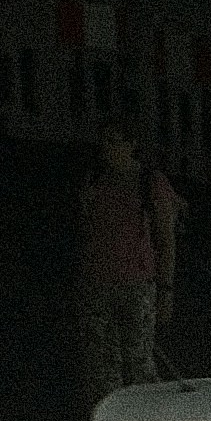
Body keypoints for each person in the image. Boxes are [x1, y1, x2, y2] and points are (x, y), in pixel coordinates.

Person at [72, 136, 183, 404]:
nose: (109, 148)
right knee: (102, 365)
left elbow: (165, 239)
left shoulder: (148, 182)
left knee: (140, 361)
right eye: (106, 142)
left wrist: (165, 289)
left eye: (117, 141)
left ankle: (149, 415)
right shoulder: (95, 179)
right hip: (98, 282)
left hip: (138, 282)